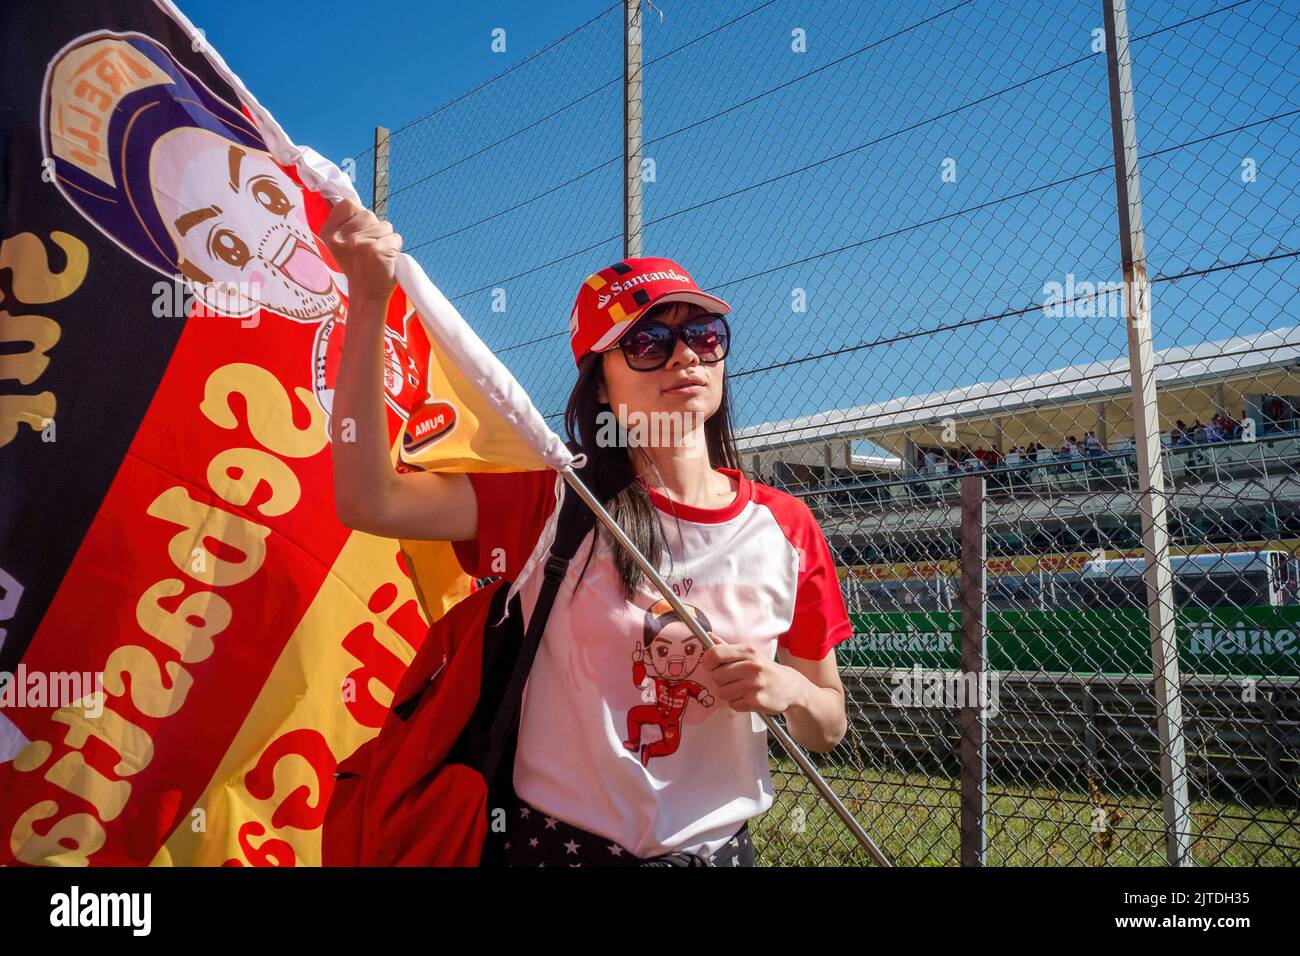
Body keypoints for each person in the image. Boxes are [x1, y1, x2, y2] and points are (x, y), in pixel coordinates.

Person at [322, 200, 853, 868]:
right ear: (600, 386)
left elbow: (828, 723)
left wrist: (790, 692)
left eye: (705, 335)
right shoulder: (555, 499)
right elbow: (372, 499)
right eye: (648, 343)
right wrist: (369, 300)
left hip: (719, 854)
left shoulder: (787, 527)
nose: (685, 356)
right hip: (555, 850)